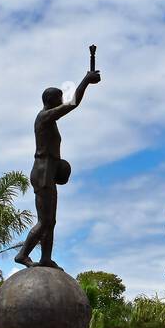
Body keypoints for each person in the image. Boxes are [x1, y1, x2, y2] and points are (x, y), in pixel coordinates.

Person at [14, 65, 101, 269]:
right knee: (45, 221)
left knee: (50, 221)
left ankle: (45, 258)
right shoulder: (44, 117)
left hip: (49, 173)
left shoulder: (49, 121)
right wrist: (86, 80)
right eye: (59, 98)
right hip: (43, 172)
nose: (62, 101)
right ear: (50, 101)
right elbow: (73, 103)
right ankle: (22, 255)